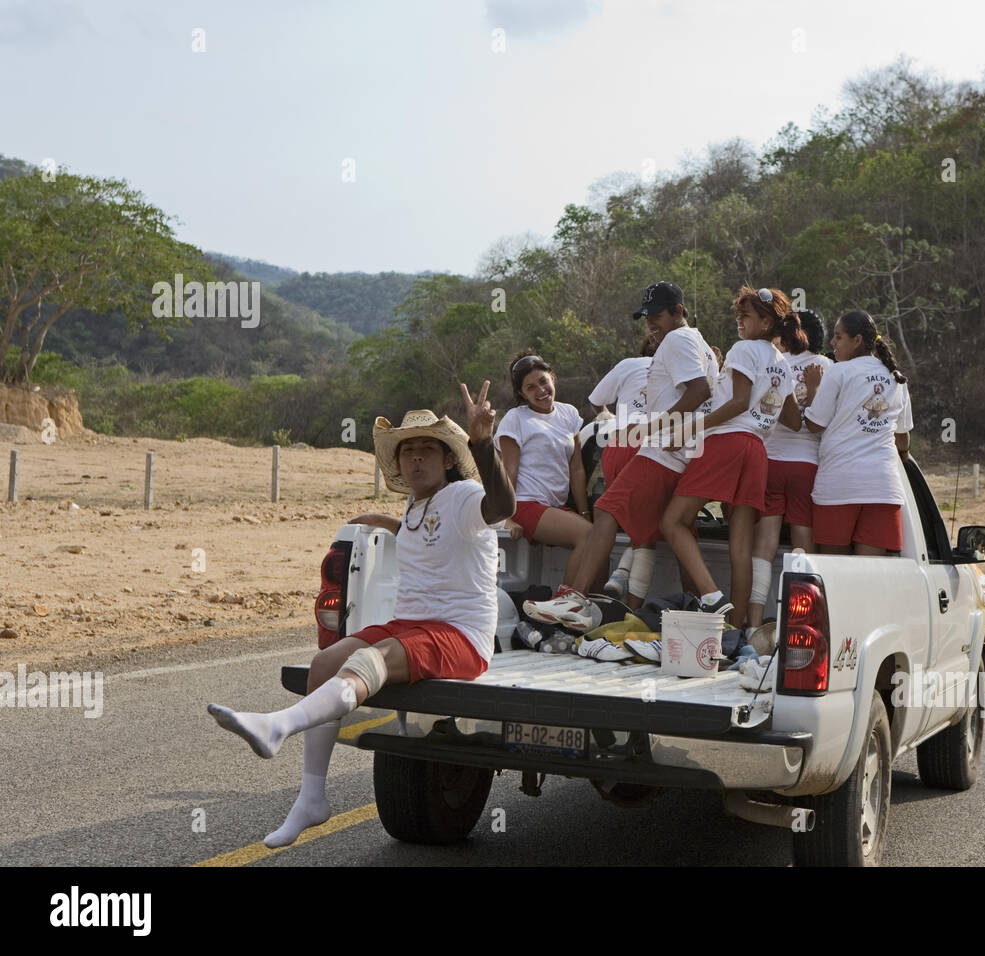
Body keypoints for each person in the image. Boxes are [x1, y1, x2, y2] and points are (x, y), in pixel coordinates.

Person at [206, 384, 513, 848]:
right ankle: (311, 798)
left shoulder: (465, 496)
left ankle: (278, 725)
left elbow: (502, 508)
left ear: (449, 458)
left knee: (367, 663)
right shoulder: (416, 504)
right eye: (407, 452)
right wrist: (388, 523)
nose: (415, 460)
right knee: (324, 664)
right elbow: (424, 533)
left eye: (426, 450)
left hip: (460, 635)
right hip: (411, 625)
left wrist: (484, 443)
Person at [524, 280, 720, 631]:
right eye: (646, 318)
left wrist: (655, 427)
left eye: (657, 316)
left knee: (605, 510)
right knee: (676, 532)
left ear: (678, 311)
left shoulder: (677, 339)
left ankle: (576, 599)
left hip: (663, 451)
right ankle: (698, 613)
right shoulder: (700, 342)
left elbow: (700, 390)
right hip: (687, 449)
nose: (650, 325)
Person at [659, 286, 803, 629]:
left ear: (767, 321)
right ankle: (736, 628)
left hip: (727, 442)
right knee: (741, 546)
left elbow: (738, 402)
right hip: (757, 451)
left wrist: (690, 429)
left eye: (746, 316)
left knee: (672, 522)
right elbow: (795, 422)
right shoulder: (782, 363)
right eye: (738, 315)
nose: (739, 322)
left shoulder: (743, 349)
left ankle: (712, 598)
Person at [802, 311, 913, 555]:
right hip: (883, 488)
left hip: (839, 484)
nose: (832, 343)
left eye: (838, 337)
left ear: (857, 340)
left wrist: (813, 389)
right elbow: (902, 439)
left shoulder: (839, 372)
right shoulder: (897, 378)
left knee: (833, 573)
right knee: (871, 575)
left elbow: (814, 424)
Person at [748, 308, 832, 628]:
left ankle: (754, 622)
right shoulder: (825, 366)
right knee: (802, 546)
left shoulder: (775, 363)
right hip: (806, 464)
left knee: (764, 545)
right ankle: (801, 624)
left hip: (770, 460)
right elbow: (822, 423)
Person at [495, 352, 592, 588]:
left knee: (601, 545)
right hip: (525, 504)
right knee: (590, 536)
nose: (540, 390)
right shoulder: (515, 418)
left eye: (543, 381)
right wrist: (505, 518)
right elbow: (509, 470)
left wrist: (583, 513)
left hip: (555, 507)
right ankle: (566, 603)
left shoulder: (568, 413)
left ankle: (589, 610)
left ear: (553, 378)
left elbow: (576, 469)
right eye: (530, 387)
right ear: (521, 394)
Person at [588, 335, 658, 608]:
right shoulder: (684, 364)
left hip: (619, 443)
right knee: (648, 532)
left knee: (630, 522)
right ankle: (631, 611)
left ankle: (616, 576)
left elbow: (596, 401)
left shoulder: (629, 364)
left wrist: (609, 414)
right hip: (652, 443)